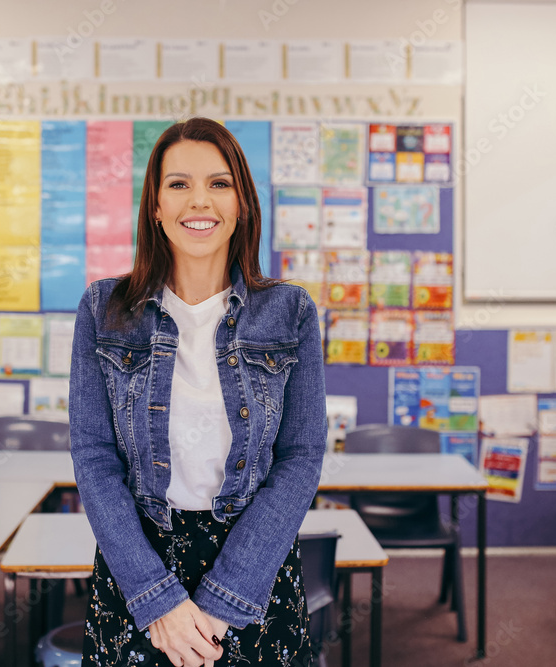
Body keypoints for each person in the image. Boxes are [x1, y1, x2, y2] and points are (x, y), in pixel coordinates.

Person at [70, 117, 327, 667]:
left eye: (219, 183)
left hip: (253, 566)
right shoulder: (104, 309)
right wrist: (157, 601)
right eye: (178, 184)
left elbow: (301, 458)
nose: (199, 201)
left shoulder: (291, 312)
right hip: (139, 567)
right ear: (155, 206)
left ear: (242, 205)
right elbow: (94, 460)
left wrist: (221, 601)